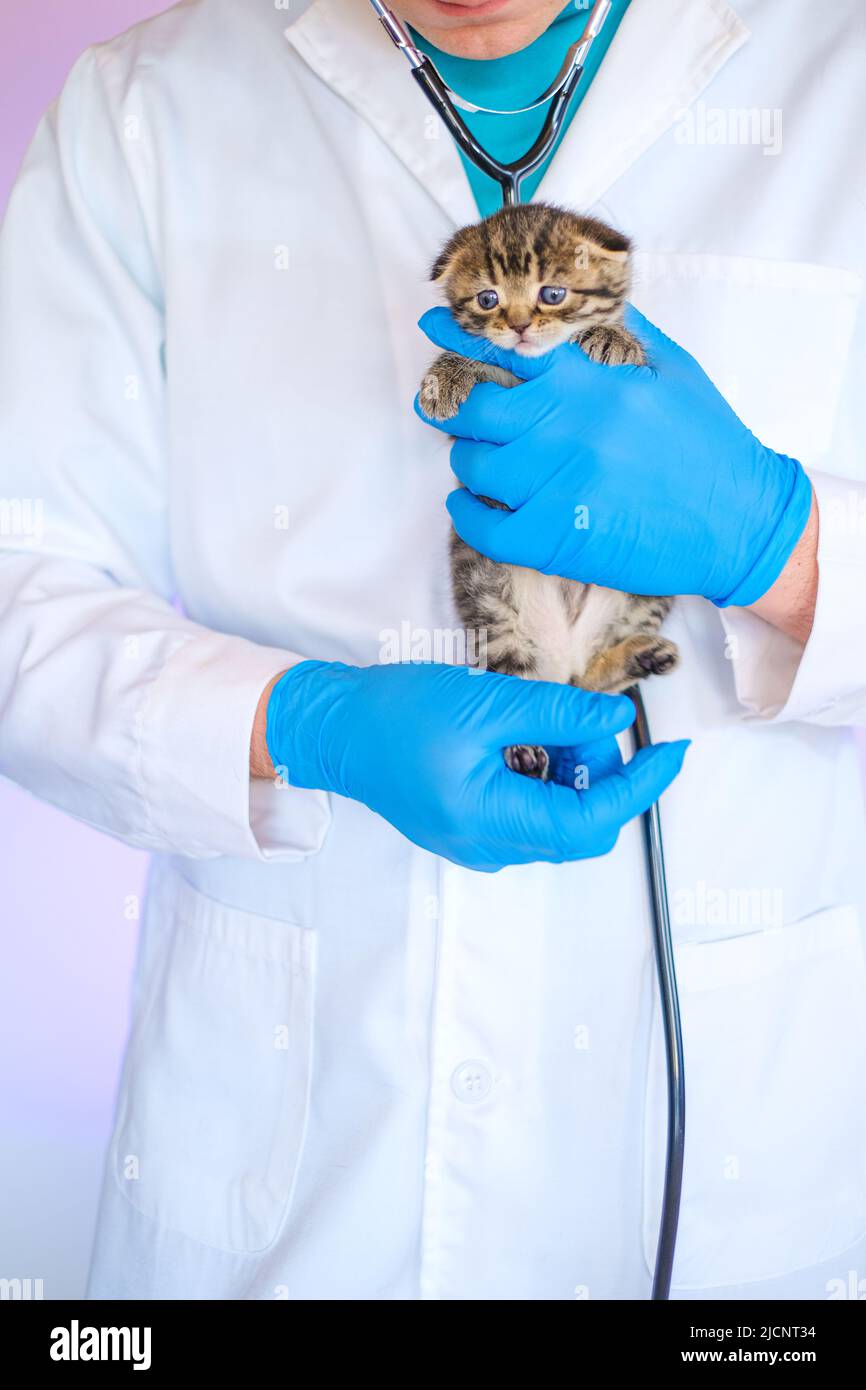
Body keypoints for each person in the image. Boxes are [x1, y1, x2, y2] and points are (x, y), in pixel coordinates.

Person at [0, 0, 864, 1301]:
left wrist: (780, 546)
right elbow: (17, 579)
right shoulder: (150, 108)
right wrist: (305, 724)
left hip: (749, 1190)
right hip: (297, 1187)